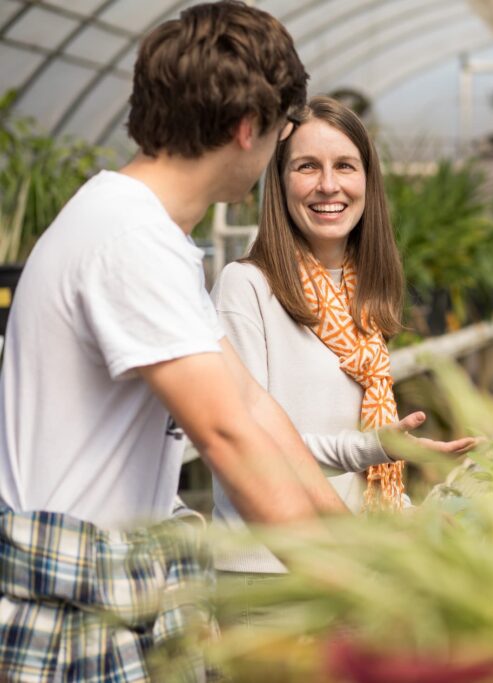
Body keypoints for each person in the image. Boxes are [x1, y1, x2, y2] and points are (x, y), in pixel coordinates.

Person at [0, 3, 350, 680]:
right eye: (282, 133)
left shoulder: (147, 231)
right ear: (248, 128)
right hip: (74, 610)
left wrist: (362, 553)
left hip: (109, 592)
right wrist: (350, 595)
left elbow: (252, 406)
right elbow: (227, 436)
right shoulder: (131, 240)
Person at [211, 96, 477, 583]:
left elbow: (361, 456)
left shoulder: (362, 293)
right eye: (307, 166)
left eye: (345, 166)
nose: (328, 185)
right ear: (280, 181)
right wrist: (375, 447)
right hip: (273, 575)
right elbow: (245, 442)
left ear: (368, 182)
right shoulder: (246, 286)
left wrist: (408, 516)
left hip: (356, 566)